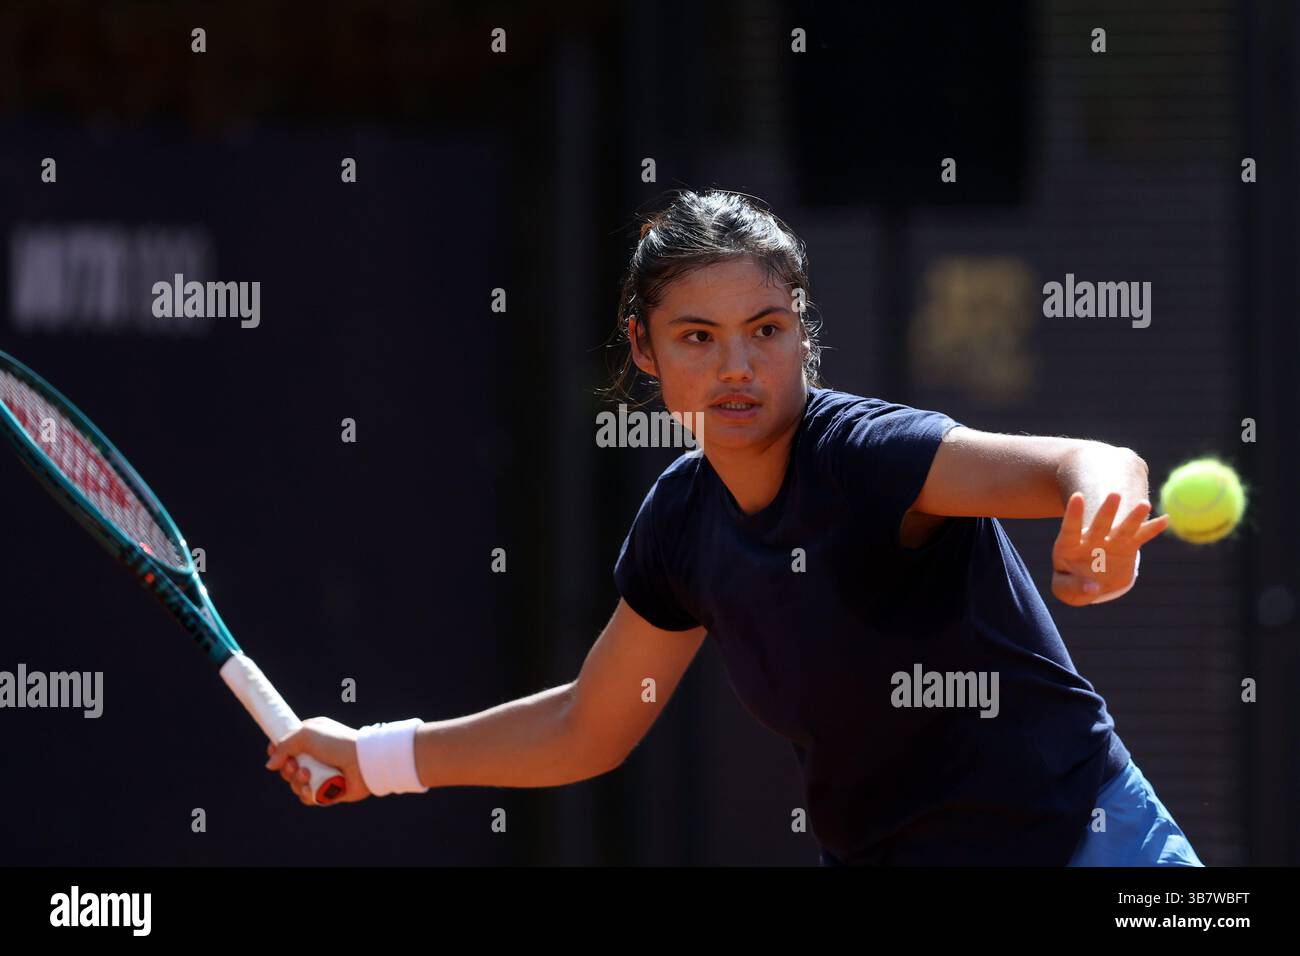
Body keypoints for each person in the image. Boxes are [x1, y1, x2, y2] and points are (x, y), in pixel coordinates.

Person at [267, 189, 1202, 866]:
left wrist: (1103, 510)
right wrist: (373, 757)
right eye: (698, 337)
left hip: (1092, 846)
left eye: (766, 328)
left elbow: (1088, 461)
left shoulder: (866, 453)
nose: (738, 366)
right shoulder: (680, 525)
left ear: (801, 332)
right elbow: (587, 725)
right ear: (644, 349)